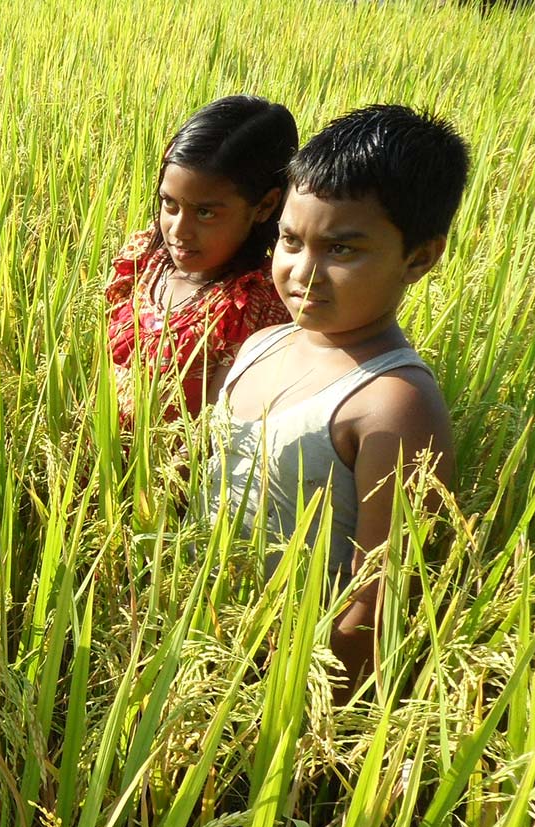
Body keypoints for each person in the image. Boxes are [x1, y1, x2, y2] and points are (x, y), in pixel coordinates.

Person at [206, 104, 469, 697]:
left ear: (420, 257)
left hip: (286, 689)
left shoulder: (392, 404)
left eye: (343, 250)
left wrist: (299, 717)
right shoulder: (260, 345)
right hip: (201, 649)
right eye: (291, 241)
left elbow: (375, 605)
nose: (305, 272)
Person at [106, 95, 299, 422]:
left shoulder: (255, 309)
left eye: (205, 212)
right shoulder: (143, 259)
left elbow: (213, 435)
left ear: (265, 206)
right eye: (170, 204)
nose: (179, 230)